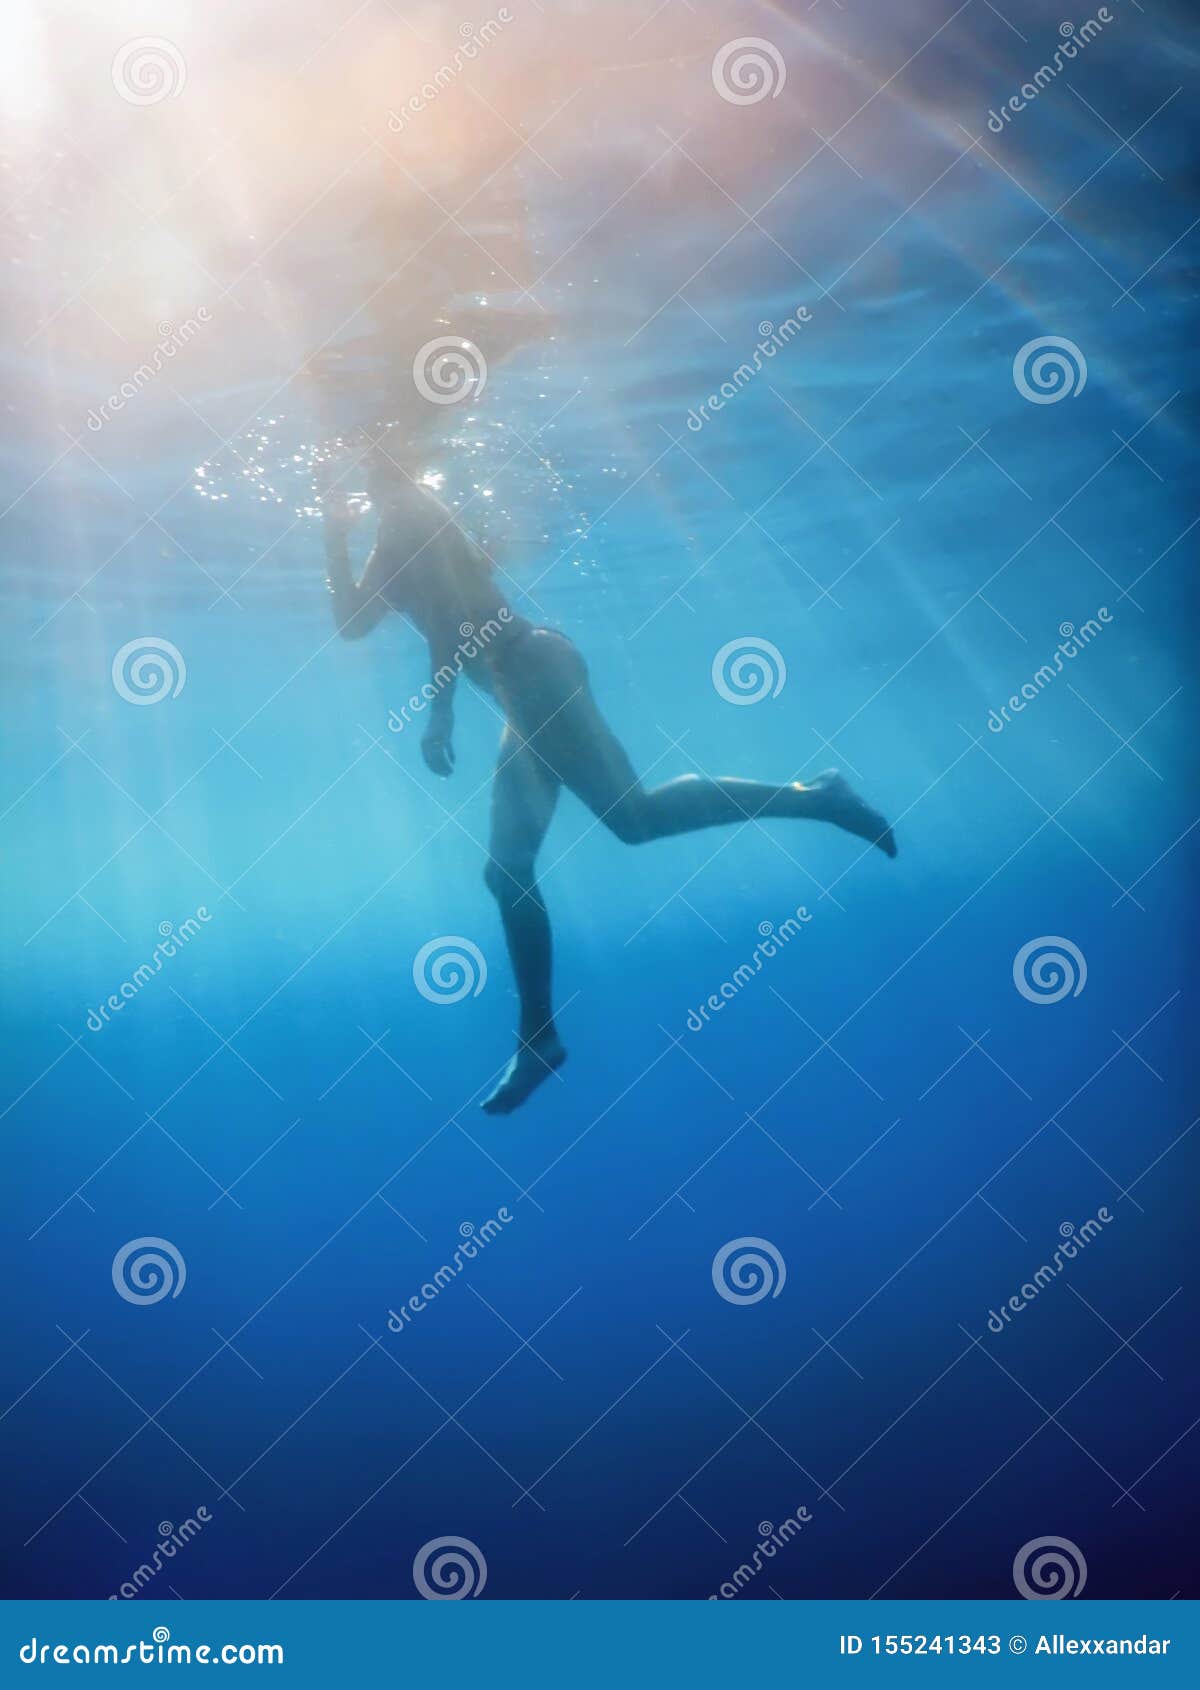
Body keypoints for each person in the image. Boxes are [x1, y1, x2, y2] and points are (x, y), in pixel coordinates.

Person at [321, 451, 897, 1116]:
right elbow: (352, 623)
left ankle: (819, 798)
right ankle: (539, 1037)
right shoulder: (389, 536)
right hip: (526, 687)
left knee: (617, 825)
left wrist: (441, 711)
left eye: (367, 470)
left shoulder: (416, 517)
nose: (365, 484)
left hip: (533, 673)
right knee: (557, 851)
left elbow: (451, 616)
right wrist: (333, 537)